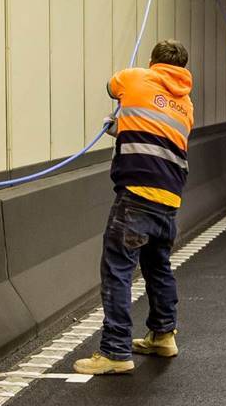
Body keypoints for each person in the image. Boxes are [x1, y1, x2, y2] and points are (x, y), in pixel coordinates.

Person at [74, 40, 194, 376]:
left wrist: (118, 120)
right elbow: (157, 132)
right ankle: (162, 335)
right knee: (158, 266)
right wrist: (123, 127)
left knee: (118, 269)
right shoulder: (186, 104)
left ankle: (114, 350)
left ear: (154, 61)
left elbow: (111, 86)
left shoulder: (135, 77)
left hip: (137, 195)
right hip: (169, 199)